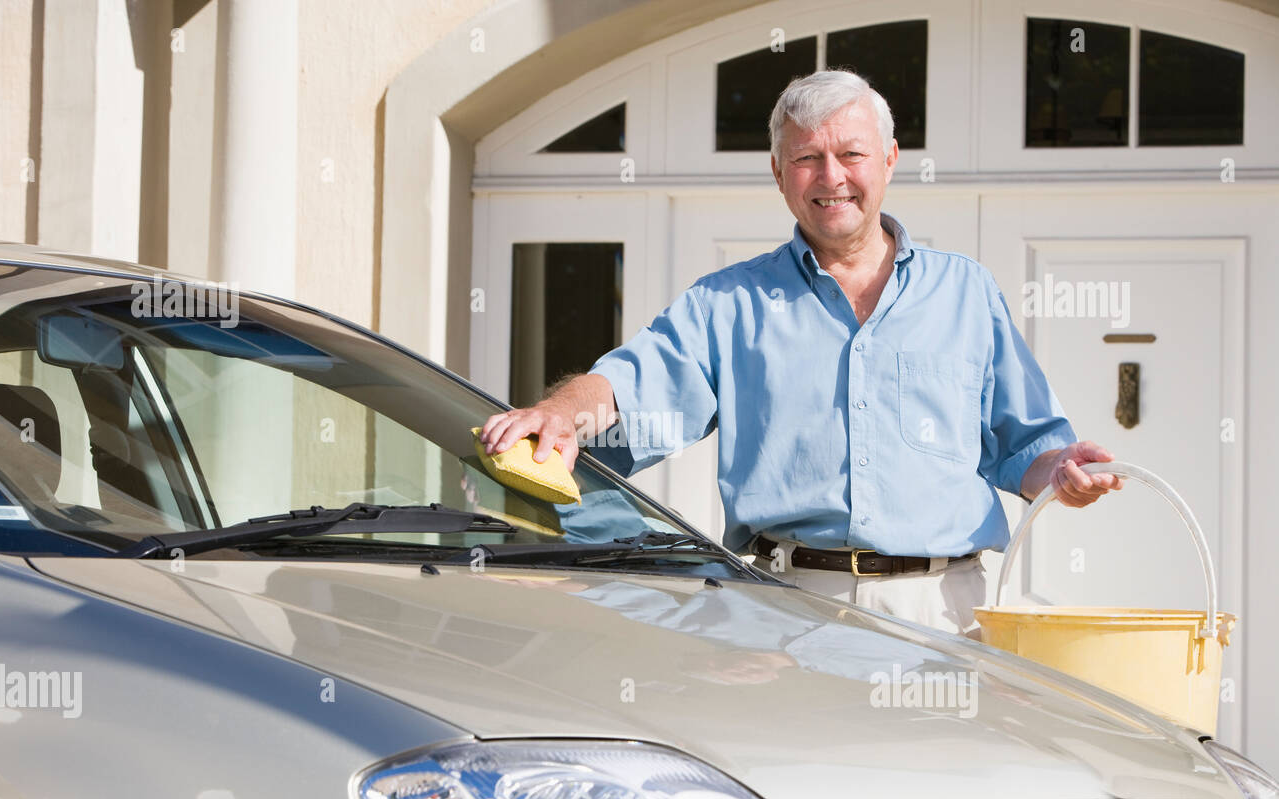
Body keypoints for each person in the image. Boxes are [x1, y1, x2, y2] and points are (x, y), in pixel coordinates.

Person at [481, 69, 1123, 639]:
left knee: (945, 776)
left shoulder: (966, 292)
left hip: (945, 612)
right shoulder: (728, 304)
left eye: (851, 153)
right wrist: (563, 412)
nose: (832, 177)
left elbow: (1025, 445)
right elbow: (628, 389)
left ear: (891, 159)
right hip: (783, 615)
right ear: (778, 172)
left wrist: (1062, 468)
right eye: (807, 158)